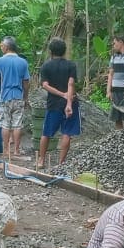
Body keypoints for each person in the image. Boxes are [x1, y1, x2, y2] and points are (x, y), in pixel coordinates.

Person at [37, 37, 80, 170]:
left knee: (46, 133)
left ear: (50, 51)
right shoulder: (71, 65)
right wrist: (68, 101)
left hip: (53, 104)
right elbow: (71, 83)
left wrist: (61, 94)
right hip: (70, 102)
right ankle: (61, 164)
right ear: (64, 51)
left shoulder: (46, 66)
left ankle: (41, 160)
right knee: (66, 133)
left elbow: (45, 85)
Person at [0, 36, 31, 161]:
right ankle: (16, 151)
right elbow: (26, 82)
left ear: (6, 47)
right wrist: (25, 97)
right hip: (18, 97)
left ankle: (6, 150)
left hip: (4, 97)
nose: (1, 47)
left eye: (2, 46)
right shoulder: (23, 62)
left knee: (5, 124)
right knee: (17, 125)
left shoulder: (0, 61)